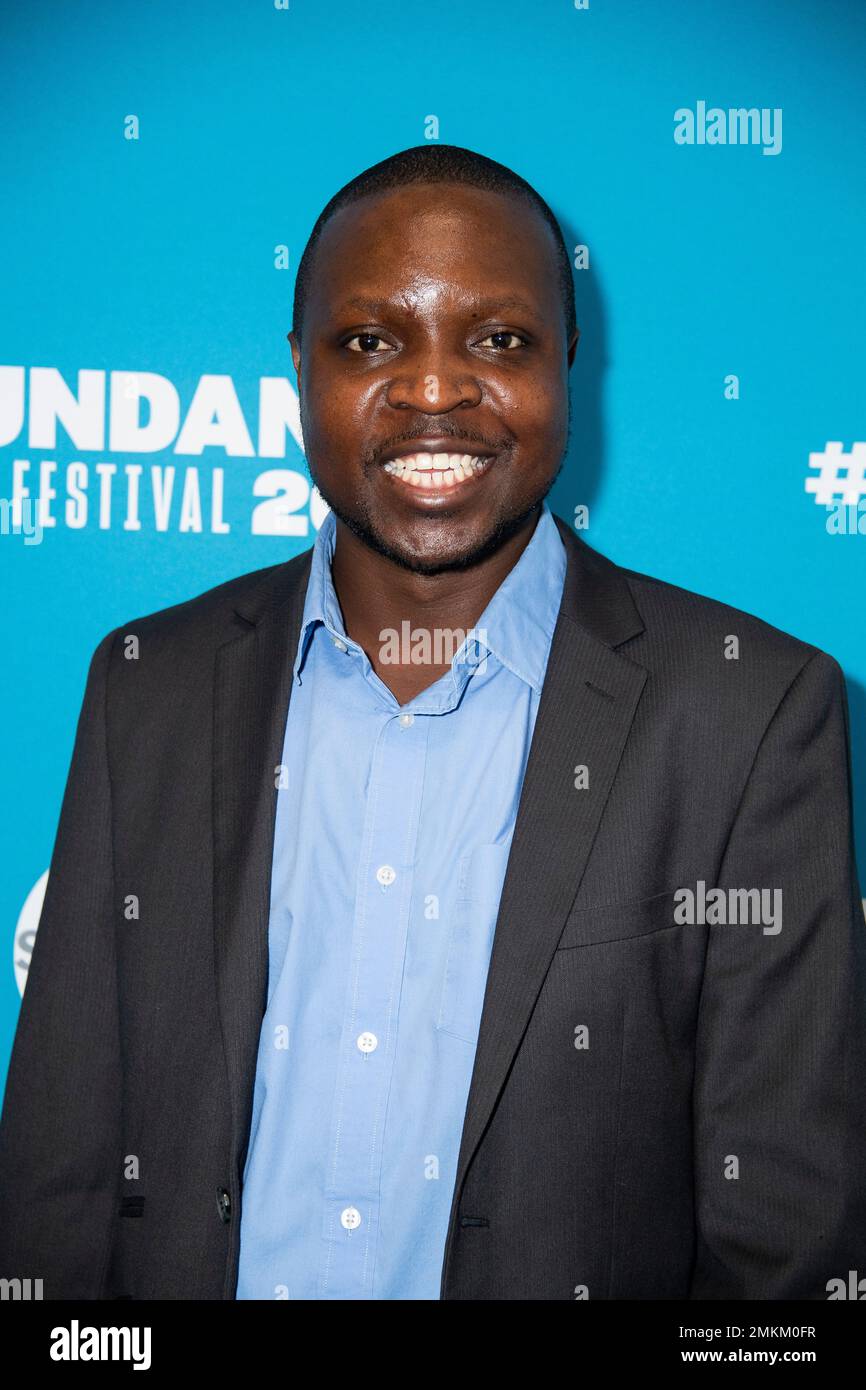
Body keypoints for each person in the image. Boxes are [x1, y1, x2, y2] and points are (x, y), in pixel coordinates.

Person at [1, 144, 865, 1301]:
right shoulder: (147, 682)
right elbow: (54, 1185)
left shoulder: (750, 712)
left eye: (498, 340)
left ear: (567, 361)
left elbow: (785, 1253)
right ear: (299, 368)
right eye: (369, 342)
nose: (432, 389)